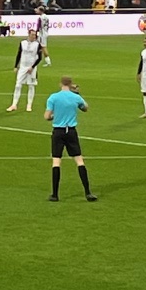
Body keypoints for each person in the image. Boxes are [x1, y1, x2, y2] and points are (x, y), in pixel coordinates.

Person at [43, 75, 97, 203]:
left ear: (60, 84)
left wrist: (54, 116)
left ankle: (55, 194)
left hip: (58, 131)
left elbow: (47, 116)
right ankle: (88, 192)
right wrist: (78, 94)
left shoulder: (53, 97)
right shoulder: (76, 97)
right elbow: (85, 108)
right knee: (79, 161)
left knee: (56, 162)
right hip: (71, 131)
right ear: (71, 84)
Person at [7, 29, 44, 113]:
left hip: (32, 68)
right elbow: (19, 54)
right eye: (32, 34)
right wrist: (16, 66)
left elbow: (40, 58)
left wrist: (33, 67)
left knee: (31, 85)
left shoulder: (37, 45)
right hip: (22, 67)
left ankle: (29, 105)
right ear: (29, 34)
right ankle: (14, 104)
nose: (34, 36)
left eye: (35, 35)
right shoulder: (22, 43)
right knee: (18, 85)